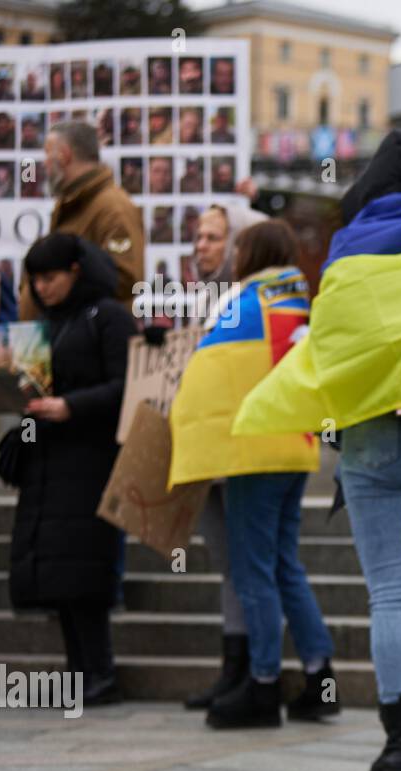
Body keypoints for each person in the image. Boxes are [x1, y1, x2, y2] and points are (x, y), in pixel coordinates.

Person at [231, 129, 401, 771]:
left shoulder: (348, 248)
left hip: (373, 439)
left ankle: (397, 750)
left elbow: (333, 346)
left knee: (389, 591)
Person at [169, 220, 336, 729]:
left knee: (253, 570)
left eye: (238, 245)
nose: (233, 255)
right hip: (292, 449)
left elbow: (209, 377)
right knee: (285, 566)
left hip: (253, 451)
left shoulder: (246, 304)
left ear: (252, 252)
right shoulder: (294, 302)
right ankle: (318, 677)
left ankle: (263, 686)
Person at [9, 234, 136, 705]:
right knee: (60, 574)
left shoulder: (109, 317)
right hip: (49, 461)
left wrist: (71, 406)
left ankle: (99, 671)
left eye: (50, 277)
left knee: (85, 570)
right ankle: (79, 671)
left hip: (90, 459)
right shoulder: (48, 324)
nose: (42, 288)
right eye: (36, 280)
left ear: (76, 272)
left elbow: (127, 386)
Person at [181, 201, 268, 711]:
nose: (202, 246)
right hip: (206, 448)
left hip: (237, 449)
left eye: (213, 237)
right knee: (228, 563)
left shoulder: (247, 299)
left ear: (239, 243)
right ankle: (235, 670)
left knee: (244, 565)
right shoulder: (200, 298)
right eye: (198, 238)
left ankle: (251, 674)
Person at [20, 121, 144, 323]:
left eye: (47, 155)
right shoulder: (70, 204)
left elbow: (126, 278)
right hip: (64, 339)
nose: (44, 164)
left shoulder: (113, 208)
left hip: (89, 343)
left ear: (65, 155)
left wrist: (64, 290)